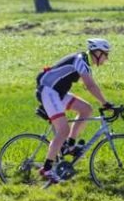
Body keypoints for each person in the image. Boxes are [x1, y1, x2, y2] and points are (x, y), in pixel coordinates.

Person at [36, 38, 114, 184]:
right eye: (105, 54)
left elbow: (90, 85)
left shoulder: (83, 61)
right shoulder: (80, 60)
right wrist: (106, 103)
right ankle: (46, 169)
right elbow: (90, 86)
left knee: (86, 109)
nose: (106, 58)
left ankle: (69, 145)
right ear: (97, 52)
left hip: (57, 93)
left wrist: (104, 103)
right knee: (63, 130)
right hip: (48, 91)